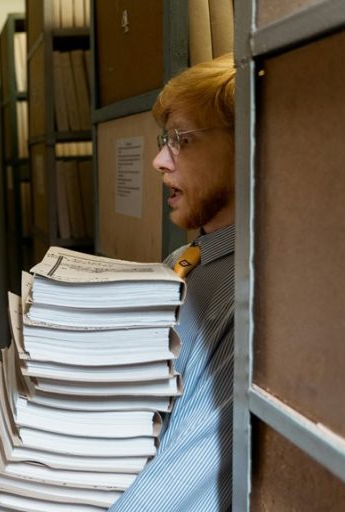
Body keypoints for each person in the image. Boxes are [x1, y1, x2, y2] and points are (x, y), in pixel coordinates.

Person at [108, 53, 236, 511]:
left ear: (244, 145)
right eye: (165, 140)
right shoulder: (183, 260)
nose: (160, 161)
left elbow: (181, 479)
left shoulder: (251, 294)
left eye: (181, 140)